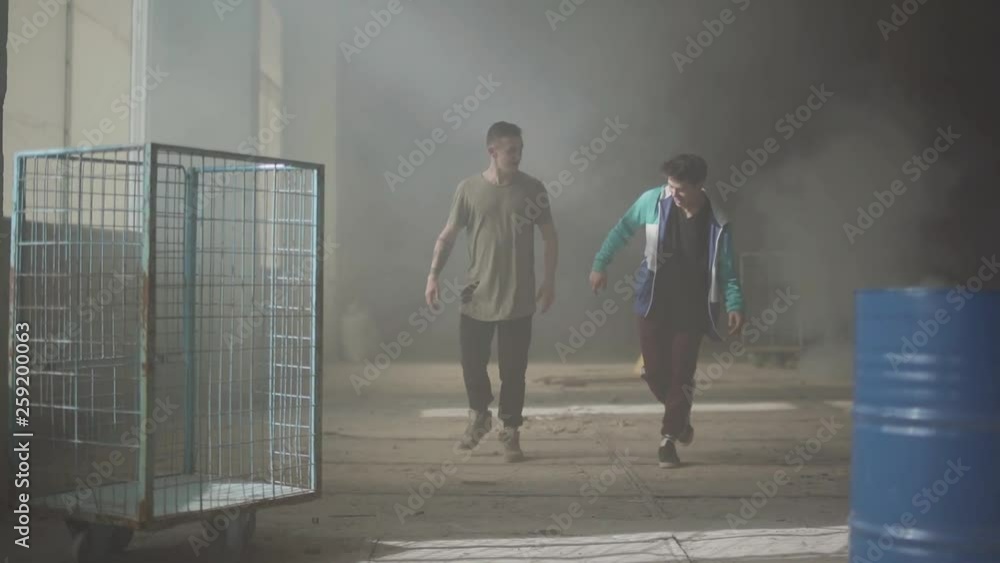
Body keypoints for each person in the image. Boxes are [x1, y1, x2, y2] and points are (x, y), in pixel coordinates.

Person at [589, 153, 744, 468]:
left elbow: (728, 271)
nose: (673, 194)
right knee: (655, 371)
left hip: (692, 308)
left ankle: (668, 439)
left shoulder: (717, 222)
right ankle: (682, 421)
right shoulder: (652, 200)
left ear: (700, 186)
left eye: (681, 189)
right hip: (653, 301)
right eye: (670, 186)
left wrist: (735, 303)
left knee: (682, 374)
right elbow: (622, 230)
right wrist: (600, 263)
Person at [425, 121, 558, 462]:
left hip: (519, 295)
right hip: (477, 293)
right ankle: (478, 416)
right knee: (472, 364)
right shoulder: (468, 189)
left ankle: (510, 431)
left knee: (514, 370)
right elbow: (448, 235)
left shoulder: (533, 189)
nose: (517, 156)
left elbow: (549, 237)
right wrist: (433, 274)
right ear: (492, 152)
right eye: (511, 150)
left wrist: (549, 280)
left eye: (520, 150)